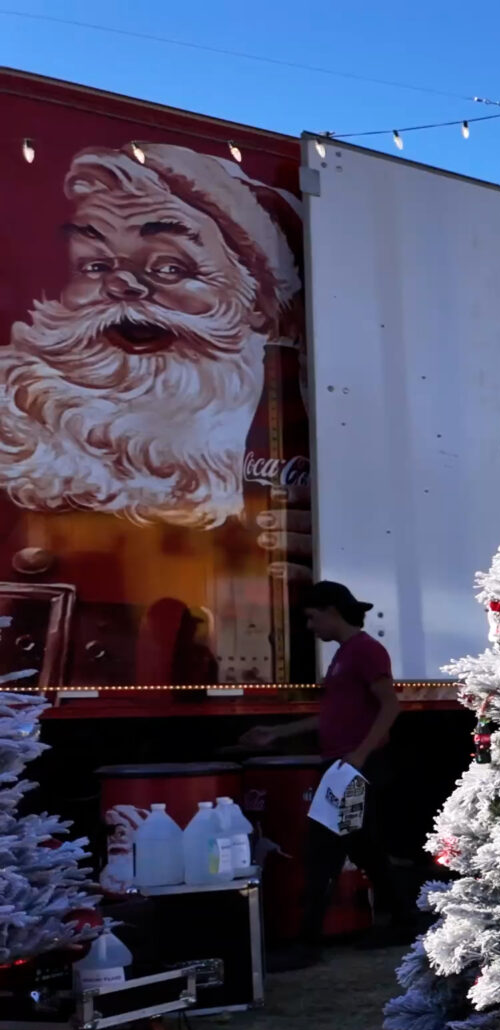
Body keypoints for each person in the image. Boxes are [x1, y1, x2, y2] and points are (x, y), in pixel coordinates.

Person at [0, 144, 302, 528]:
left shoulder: (280, 430)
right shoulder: (19, 422)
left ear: (256, 302)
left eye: (170, 267)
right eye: (94, 266)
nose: (122, 284)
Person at [241, 580, 404, 967]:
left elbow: (391, 706)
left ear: (332, 612)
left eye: (313, 618)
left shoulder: (364, 651)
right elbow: (333, 715)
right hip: (344, 765)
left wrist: (359, 755)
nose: (310, 627)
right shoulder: (346, 654)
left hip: (350, 768)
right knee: (363, 848)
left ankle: (307, 944)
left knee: (322, 849)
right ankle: (403, 921)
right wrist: (277, 733)